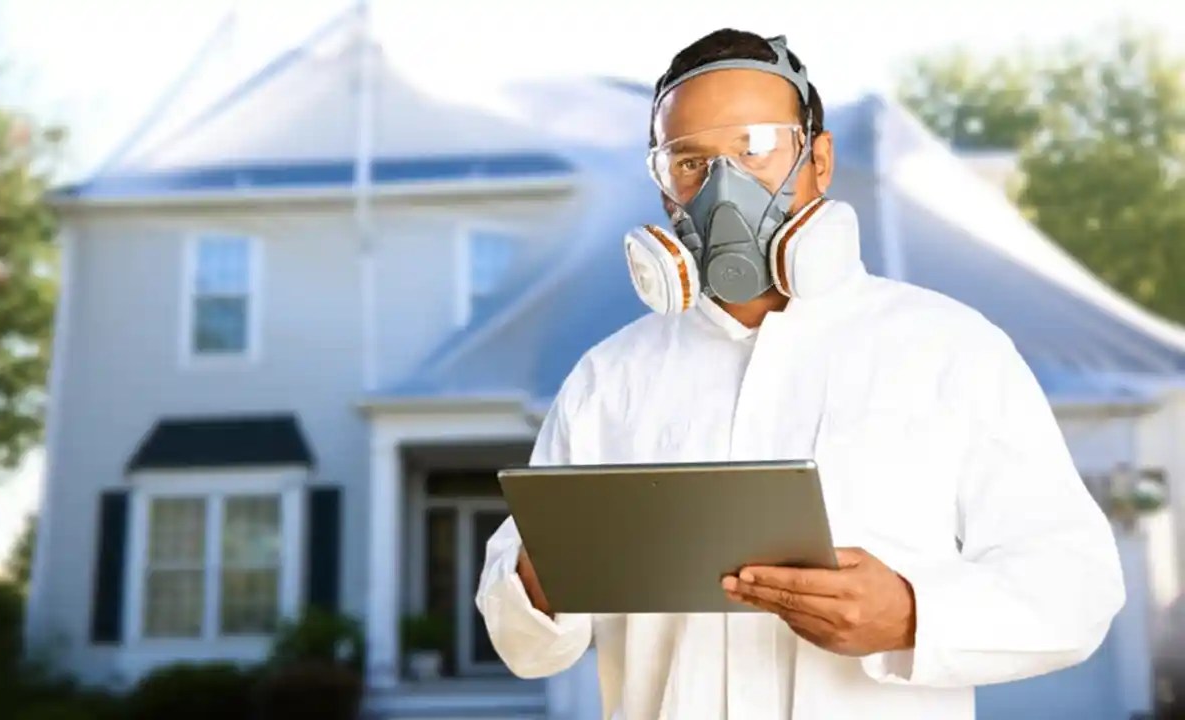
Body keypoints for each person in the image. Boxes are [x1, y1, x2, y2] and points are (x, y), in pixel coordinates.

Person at [475, 28, 1125, 720]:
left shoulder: (951, 349)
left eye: (755, 146)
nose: (721, 187)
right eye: (688, 161)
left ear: (819, 159)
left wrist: (911, 615)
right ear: (663, 185)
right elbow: (524, 643)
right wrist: (540, 583)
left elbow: (1077, 588)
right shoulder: (609, 380)